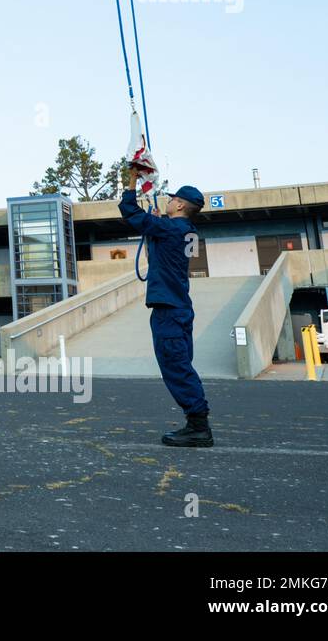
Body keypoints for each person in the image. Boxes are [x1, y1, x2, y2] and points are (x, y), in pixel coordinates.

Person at [119, 167, 212, 447]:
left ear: (181, 205)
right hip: (180, 307)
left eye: (172, 199)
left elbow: (130, 212)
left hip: (169, 310)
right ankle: (196, 423)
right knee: (181, 364)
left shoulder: (172, 229)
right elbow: (164, 254)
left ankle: (199, 426)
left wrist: (131, 182)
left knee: (176, 366)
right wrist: (156, 228)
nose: (169, 200)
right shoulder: (189, 234)